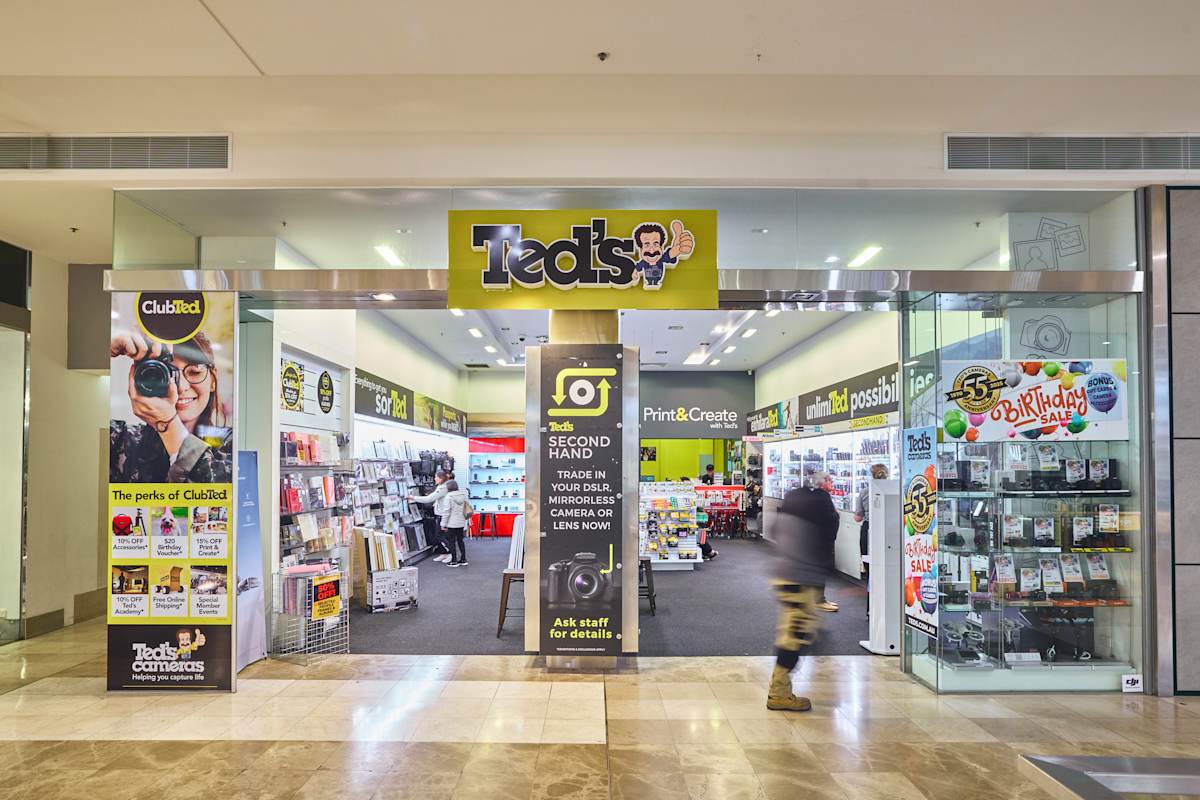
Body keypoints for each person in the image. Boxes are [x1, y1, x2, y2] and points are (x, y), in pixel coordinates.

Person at [109, 330, 232, 483]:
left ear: (213, 380)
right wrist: (105, 345)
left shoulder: (230, 444)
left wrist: (167, 423)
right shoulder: (121, 440)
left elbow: (216, 498)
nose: (181, 387)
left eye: (194, 372)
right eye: (167, 373)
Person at [766, 470, 839, 711]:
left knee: (794, 631)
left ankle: (780, 687)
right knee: (794, 635)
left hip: (785, 574)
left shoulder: (792, 503)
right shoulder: (820, 507)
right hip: (800, 578)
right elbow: (830, 535)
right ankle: (779, 692)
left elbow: (775, 533)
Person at [854, 463, 889, 580]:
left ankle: (871, 591)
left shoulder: (864, 492)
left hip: (869, 528)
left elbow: (858, 517)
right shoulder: (894, 488)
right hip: (888, 528)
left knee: (868, 560)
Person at [409, 470, 453, 561]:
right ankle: (444, 553)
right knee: (439, 535)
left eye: (436, 477)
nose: (434, 478)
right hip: (440, 514)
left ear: (441, 478)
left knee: (440, 535)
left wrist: (414, 498)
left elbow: (429, 499)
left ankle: (451, 553)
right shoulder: (441, 487)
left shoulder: (443, 488)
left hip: (443, 515)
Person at [440, 480, 469, 567]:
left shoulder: (448, 497)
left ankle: (454, 560)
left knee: (451, 541)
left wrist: (443, 524)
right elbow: (466, 509)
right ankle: (463, 559)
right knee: (460, 540)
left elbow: (446, 512)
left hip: (451, 523)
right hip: (461, 522)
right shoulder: (463, 495)